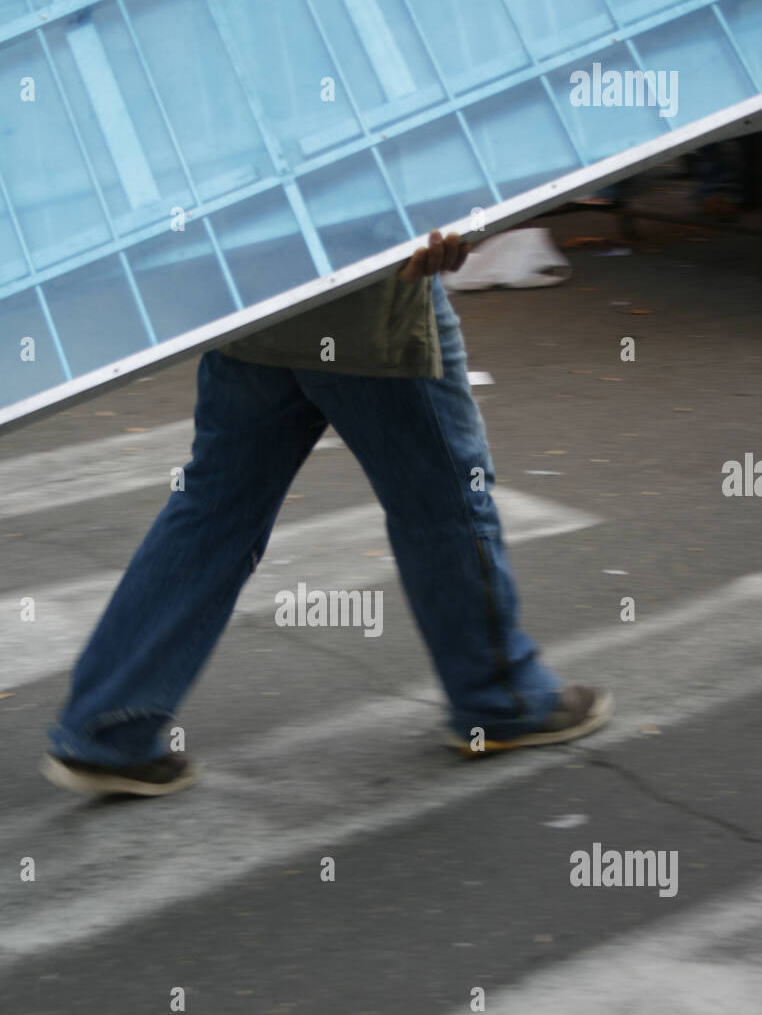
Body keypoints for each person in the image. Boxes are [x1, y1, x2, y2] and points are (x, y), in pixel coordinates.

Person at [42, 231, 612, 797]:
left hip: (252, 295)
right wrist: (455, 217)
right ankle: (499, 699)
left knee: (213, 510)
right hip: (367, 301)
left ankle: (108, 728)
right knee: (446, 502)